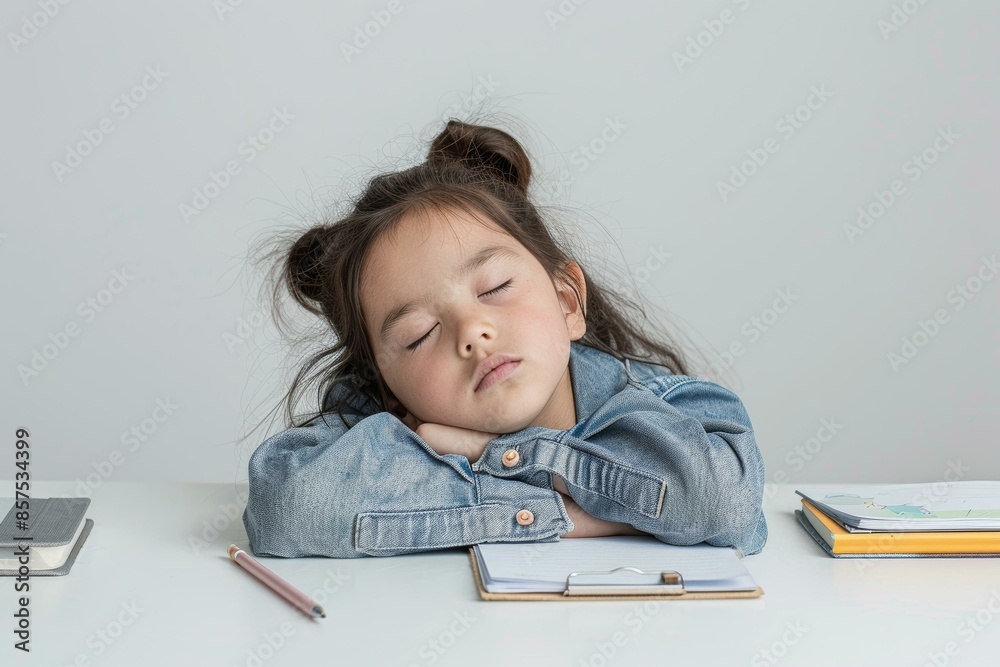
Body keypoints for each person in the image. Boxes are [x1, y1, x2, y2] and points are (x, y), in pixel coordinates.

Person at [242, 119, 767, 558]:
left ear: (566, 302)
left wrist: (488, 451)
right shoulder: (373, 428)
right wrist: (572, 514)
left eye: (493, 288)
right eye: (420, 334)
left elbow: (722, 501)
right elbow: (287, 507)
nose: (473, 332)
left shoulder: (668, 407)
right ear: (388, 389)